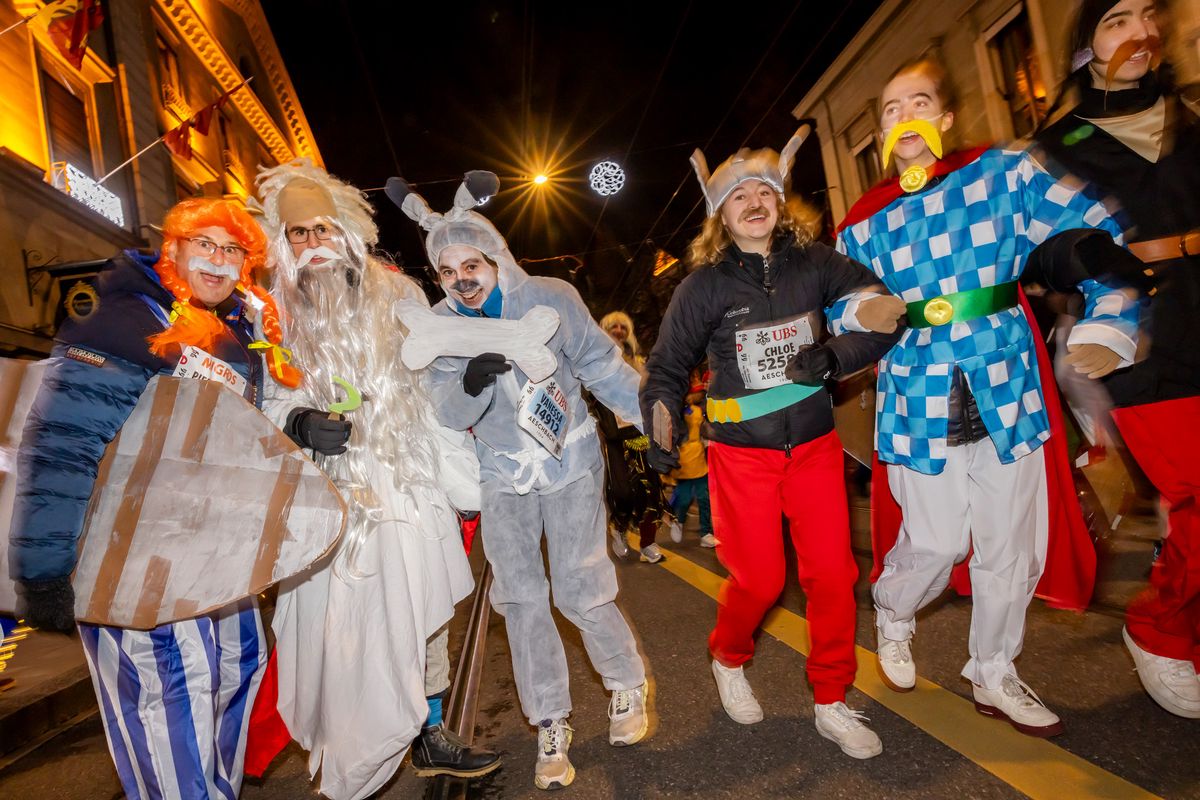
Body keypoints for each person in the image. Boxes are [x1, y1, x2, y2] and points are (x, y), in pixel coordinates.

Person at [836, 54, 1141, 737]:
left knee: (1012, 549)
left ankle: (994, 671)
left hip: (1009, 389)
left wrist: (1110, 319)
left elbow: (1096, 234)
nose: (902, 116)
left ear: (944, 119)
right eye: (889, 109)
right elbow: (840, 304)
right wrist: (860, 314)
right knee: (939, 542)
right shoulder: (860, 225)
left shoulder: (1007, 176)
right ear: (882, 139)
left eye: (917, 103)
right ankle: (892, 607)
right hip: (919, 397)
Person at [9, 197, 290, 799]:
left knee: (240, 667)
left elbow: (234, 444)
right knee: (169, 692)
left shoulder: (235, 334)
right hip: (128, 551)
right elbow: (62, 444)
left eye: (233, 249)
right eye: (204, 244)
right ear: (175, 250)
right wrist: (45, 570)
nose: (218, 260)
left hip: (215, 552)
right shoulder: (122, 322)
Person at [640, 126, 902, 759]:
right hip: (742, 456)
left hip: (812, 448)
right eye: (738, 196)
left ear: (781, 201)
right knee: (759, 578)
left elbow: (885, 311)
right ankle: (729, 656)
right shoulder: (702, 286)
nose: (753, 201)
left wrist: (835, 356)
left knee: (834, 576)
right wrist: (660, 423)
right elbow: (669, 367)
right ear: (720, 214)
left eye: (764, 190)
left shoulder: (817, 263)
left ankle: (832, 699)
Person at [245, 160, 500, 797]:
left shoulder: (401, 295)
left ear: (348, 230)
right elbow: (262, 401)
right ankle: (349, 735)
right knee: (340, 627)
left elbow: (438, 375)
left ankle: (429, 730)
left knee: (424, 616)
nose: (311, 244)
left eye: (321, 229)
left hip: (408, 481)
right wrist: (299, 422)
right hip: (328, 496)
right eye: (297, 234)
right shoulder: (272, 316)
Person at [392, 172, 650, 790]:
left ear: (495, 257)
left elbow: (598, 361)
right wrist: (471, 383)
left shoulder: (549, 298)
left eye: (471, 264)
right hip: (502, 472)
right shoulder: (439, 328)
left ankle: (625, 684)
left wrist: (649, 422)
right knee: (521, 598)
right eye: (448, 271)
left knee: (579, 588)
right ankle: (550, 721)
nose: (462, 279)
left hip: (570, 460)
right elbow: (446, 411)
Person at [1035, 0, 1200, 719]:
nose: (1139, 29)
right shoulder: (1058, 145)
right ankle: (1159, 626)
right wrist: (1084, 259)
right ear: (1086, 50)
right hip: (1139, 335)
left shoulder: (1190, 120)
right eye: (1115, 19)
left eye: (1147, 13)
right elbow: (1039, 249)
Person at [598, 310, 667, 563]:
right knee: (623, 492)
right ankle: (619, 526)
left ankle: (648, 543)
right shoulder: (594, 363)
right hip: (615, 438)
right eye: (612, 326)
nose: (618, 331)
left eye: (622, 327)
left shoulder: (638, 361)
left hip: (641, 433)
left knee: (650, 491)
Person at [667, 376, 714, 548]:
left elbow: (705, 427)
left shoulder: (697, 410)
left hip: (699, 459)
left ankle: (706, 533)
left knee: (704, 497)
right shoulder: (677, 413)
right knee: (684, 498)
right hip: (684, 461)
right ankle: (678, 521)